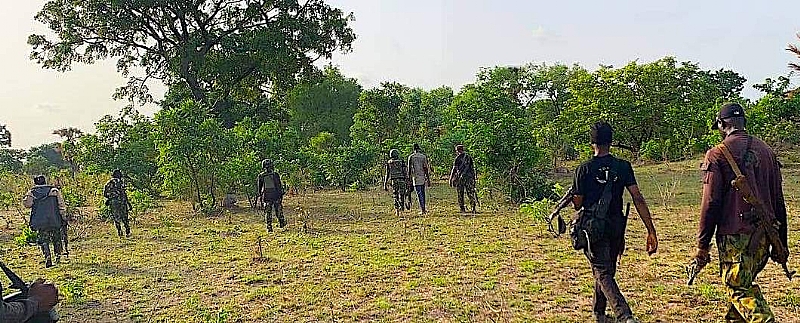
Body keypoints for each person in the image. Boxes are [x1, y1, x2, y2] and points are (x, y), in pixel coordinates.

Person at [691, 103, 788, 322]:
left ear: (721, 124)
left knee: (738, 288)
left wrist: (702, 246)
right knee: (739, 296)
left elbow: (711, 202)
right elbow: (779, 201)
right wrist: (782, 244)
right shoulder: (767, 151)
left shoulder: (717, 154)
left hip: (737, 237)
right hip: (764, 238)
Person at [571, 122, 658, 323]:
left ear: (592, 142)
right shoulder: (623, 166)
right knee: (605, 270)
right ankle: (599, 314)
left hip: (594, 229)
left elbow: (578, 204)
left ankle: (624, 316)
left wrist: (576, 192)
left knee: (603, 272)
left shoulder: (583, 169)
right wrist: (650, 229)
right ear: (611, 142)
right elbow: (637, 197)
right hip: (616, 227)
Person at [22, 175, 66, 268]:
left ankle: (47, 257)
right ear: (45, 181)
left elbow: (27, 204)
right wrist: (63, 217)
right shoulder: (54, 191)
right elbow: (61, 205)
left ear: (35, 182)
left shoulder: (32, 192)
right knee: (56, 238)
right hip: (54, 218)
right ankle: (58, 257)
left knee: (43, 239)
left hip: (40, 220)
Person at [257, 159, 286, 232]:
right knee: (278, 210)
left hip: (266, 196)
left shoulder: (261, 176)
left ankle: (269, 227)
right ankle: (281, 223)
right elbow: (279, 186)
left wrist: (261, 196)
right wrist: (280, 196)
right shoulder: (275, 174)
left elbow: (259, 188)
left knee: (268, 212)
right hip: (275, 195)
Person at [449, 145, 477, 213]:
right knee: (470, 193)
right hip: (469, 178)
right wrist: (474, 177)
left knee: (460, 193)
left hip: (460, 178)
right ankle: (473, 208)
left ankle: (462, 208)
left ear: (457, 150)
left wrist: (451, 178)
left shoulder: (457, 158)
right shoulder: (469, 157)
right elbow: (472, 168)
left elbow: (454, 169)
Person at [103, 169, 132, 237]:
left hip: (113, 202)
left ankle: (119, 231)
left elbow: (105, 194)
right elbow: (123, 193)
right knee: (124, 216)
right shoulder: (120, 182)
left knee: (116, 217)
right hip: (121, 201)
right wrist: (128, 203)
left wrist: (111, 197)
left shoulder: (108, 183)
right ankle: (127, 231)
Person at [407, 144, 432, 214]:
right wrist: (428, 179)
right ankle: (423, 207)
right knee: (423, 193)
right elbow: (425, 168)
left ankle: (423, 209)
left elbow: (409, 169)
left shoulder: (411, 157)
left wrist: (409, 179)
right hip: (422, 176)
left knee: (419, 193)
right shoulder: (423, 156)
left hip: (415, 177)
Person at [383, 149, 409, 216]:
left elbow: (387, 173)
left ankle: (397, 211)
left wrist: (385, 183)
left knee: (395, 195)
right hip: (401, 180)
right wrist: (407, 180)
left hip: (394, 181)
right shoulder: (401, 161)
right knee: (402, 195)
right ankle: (402, 209)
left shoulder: (389, 162)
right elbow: (405, 172)